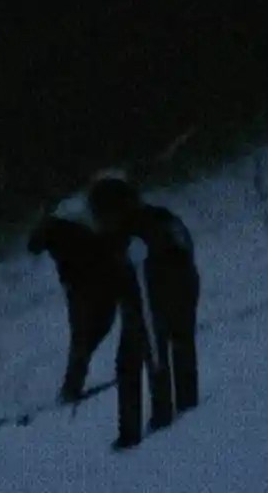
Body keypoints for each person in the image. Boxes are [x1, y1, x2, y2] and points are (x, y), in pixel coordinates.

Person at [88, 178, 199, 449]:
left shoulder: (138, 238)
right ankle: (181, 409)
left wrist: (162, 409)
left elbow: (151, 330)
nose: (97, 223)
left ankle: (172, 418)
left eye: (100, 215)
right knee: (146, 353)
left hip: (164, 293)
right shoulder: (139, 227)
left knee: (157, 349)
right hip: (162, 290)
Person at [27, 215, 120, 403]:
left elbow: (36, 246)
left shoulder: (63, 234)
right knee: (89, 334)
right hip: (94, 286)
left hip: (88, 287)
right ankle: (71, 386)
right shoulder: (69, 232)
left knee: (84, 336)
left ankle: (71, 387)